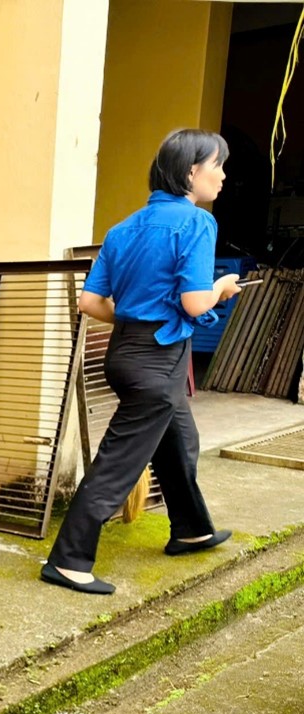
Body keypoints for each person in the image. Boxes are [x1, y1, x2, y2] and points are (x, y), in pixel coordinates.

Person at [42, 128, 241, 595]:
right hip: (157, 360)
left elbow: (90, 303)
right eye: (219, 165)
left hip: (128, 352)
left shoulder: (123, 228)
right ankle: (67, 560)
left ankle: (192, 529)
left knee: (180, 440)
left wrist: (134, 320)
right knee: (118, 464)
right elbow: (194, 303)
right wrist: (221, 289)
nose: (224, 175)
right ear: (192, 171)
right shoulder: (196, 223)